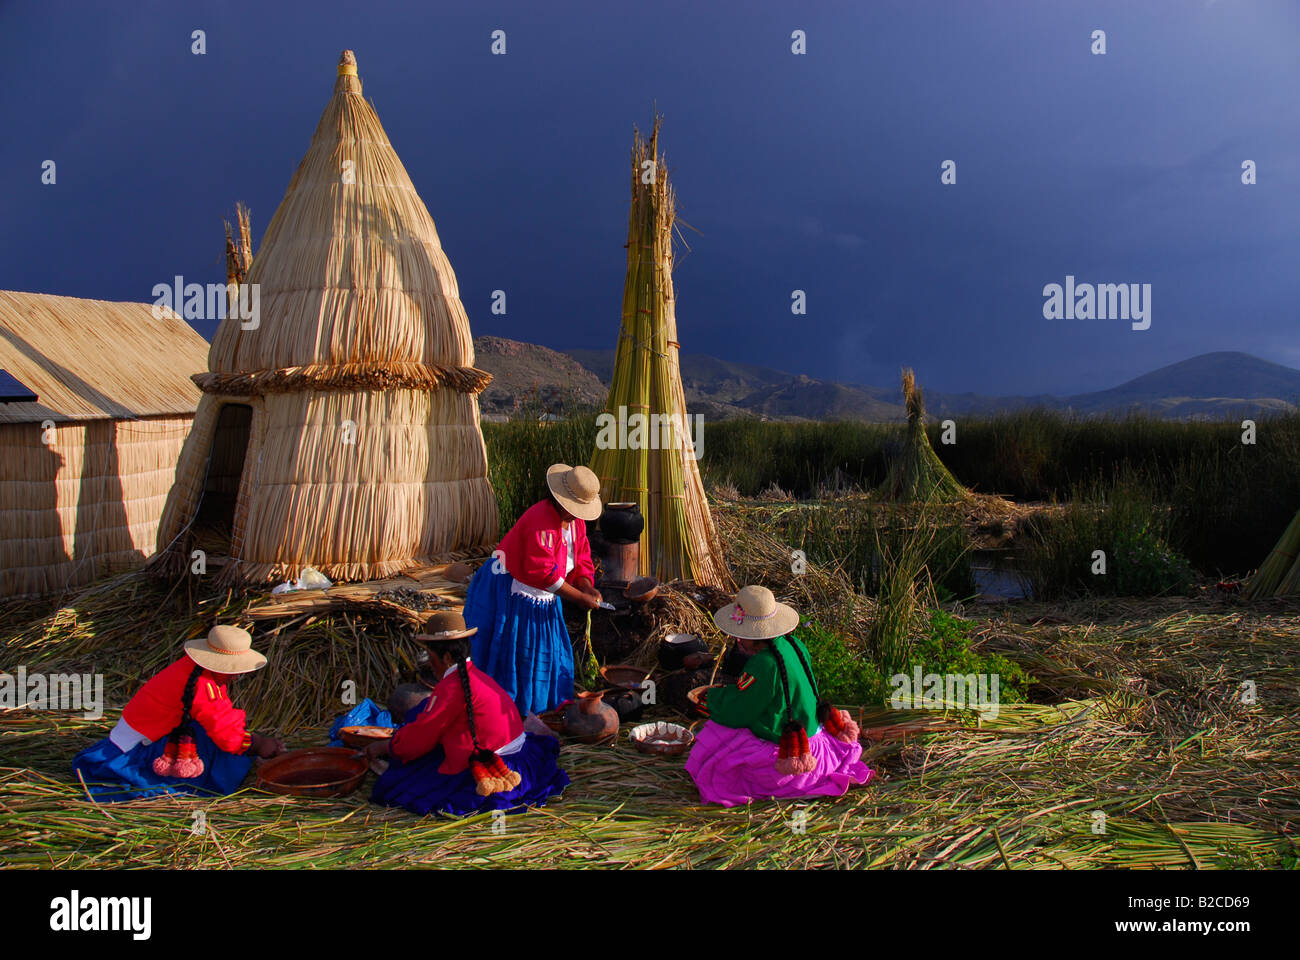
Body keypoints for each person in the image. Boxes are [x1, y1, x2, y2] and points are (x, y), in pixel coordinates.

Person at [684, 585, 873, 807]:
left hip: (793, 757)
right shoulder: (795, 645)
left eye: (741, 635)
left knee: (718, 738)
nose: (737, 640)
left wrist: (712, 699)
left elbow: (739, 711)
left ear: (755, 635)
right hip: (817, 745)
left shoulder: (763, 665)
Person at [366, 612, 570, 817]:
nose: (429, 662)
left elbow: (420, 738)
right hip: (518, 754)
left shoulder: (451, 688)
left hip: (494, 765)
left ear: (446, 657)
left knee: (400, 785)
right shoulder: (474, 675)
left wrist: (387, 746)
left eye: (430, 655)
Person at [72, 625, 283, 801]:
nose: (237, 676)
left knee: (214, 740)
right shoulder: (202, 686)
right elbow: (226, 735)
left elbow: (221, 716)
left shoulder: (195, 669)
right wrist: (258, 744)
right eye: (236, 670)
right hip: (136, 748)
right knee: (190, 780)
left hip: (150, 731)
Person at [463, 463, 603, 716]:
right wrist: (579, 598)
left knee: (549, 652)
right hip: (509, 588)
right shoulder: (540, 518)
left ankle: (544, 708)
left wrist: (587, 587)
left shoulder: (576, 523)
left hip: (543, 596)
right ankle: (513, 711)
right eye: (574, 509)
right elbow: (542, 572)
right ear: (559, 500)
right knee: (519, 652)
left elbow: (581, 560)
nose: (576, 514)